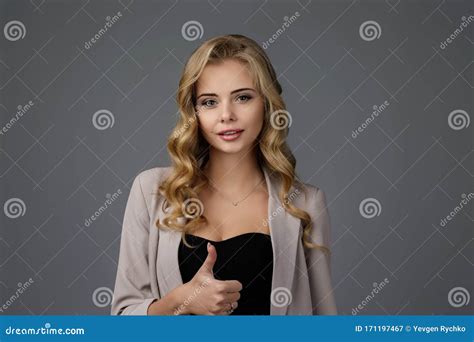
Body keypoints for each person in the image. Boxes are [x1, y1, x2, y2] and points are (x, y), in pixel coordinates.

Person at [111, 34, 337, 316]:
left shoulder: (304, 203)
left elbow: (325, 321)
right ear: (193, 112)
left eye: (243, 97)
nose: (226, 115)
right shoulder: (151, 191)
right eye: (209, 102)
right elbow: (121, 319)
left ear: (266, 104)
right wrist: (181, 300)